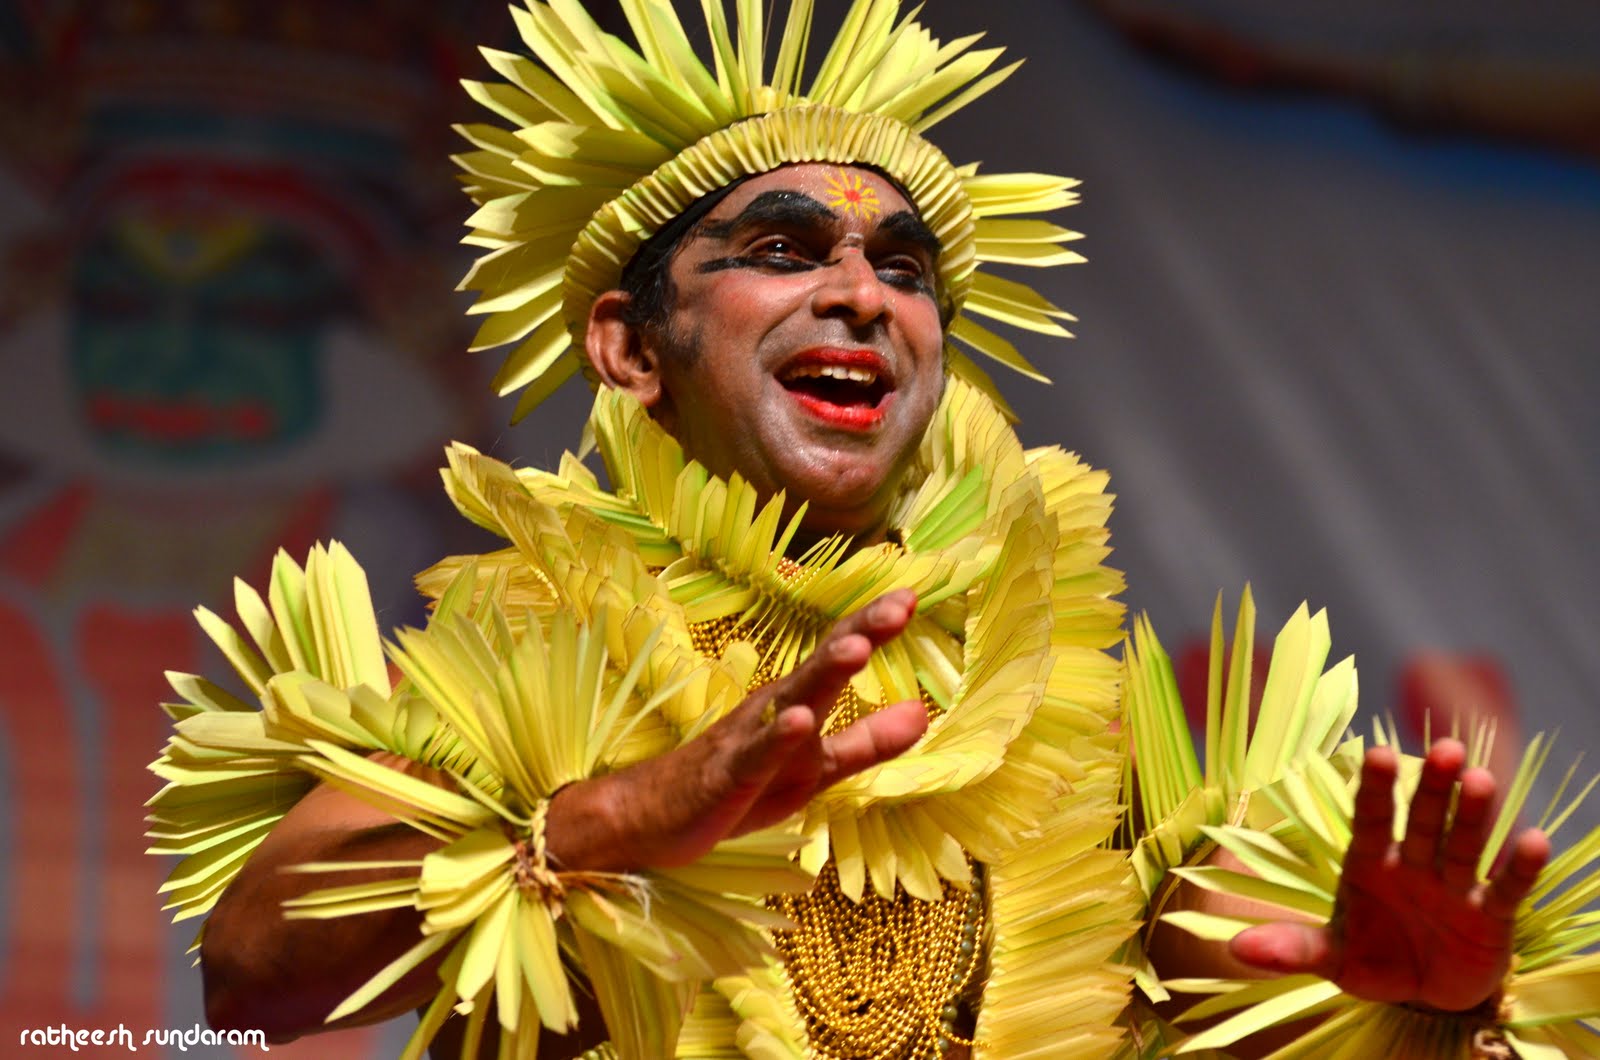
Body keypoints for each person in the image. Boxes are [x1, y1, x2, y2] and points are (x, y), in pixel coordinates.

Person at [150, 3, 1597, 1058]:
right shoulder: (534, 650)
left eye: (902, 269)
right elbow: (250, 976)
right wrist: (626, 815)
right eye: (783, 250)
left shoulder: (1041, 675)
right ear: (629, 348)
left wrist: (1385, 983)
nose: (862, 293)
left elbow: (1174, 924)